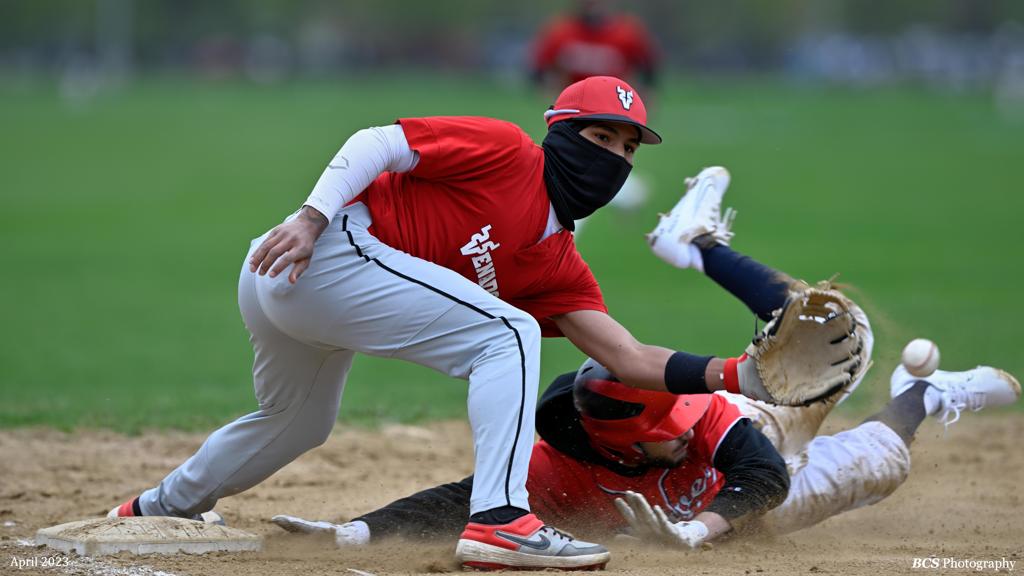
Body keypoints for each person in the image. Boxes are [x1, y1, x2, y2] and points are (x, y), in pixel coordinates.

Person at [105, 77, 800, 571]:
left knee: (298, 421)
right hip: (315, 252)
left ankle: (159, 508)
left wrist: (743, 376)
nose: (613, 156)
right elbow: (379, 141)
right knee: (508, 335)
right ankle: (501, 521)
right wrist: (312, 215)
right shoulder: (507, 153)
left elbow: (624, 356)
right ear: (559, 134)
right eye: (599, 135)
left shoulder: (559, 265)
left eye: (627, 148)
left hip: (318, 295)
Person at [269, 168, 1021, 549]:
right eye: (666, 432)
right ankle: (922, 395)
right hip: (775, 512)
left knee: (838, 335)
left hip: (748, 465)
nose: (681, 431)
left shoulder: (707, 422)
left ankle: (697, 244)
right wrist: (355, 533)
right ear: (624, 444)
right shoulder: (554, 467)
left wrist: (696, 531)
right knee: (880, 467)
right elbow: (455, 500)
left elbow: (757, 473)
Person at [531, 0, 659, 94]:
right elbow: (539, 66)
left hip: (614, 100)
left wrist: (645, 90)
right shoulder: (562, 31)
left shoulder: (626, 32)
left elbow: (648, 65)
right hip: (573, 99)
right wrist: (547, 87)